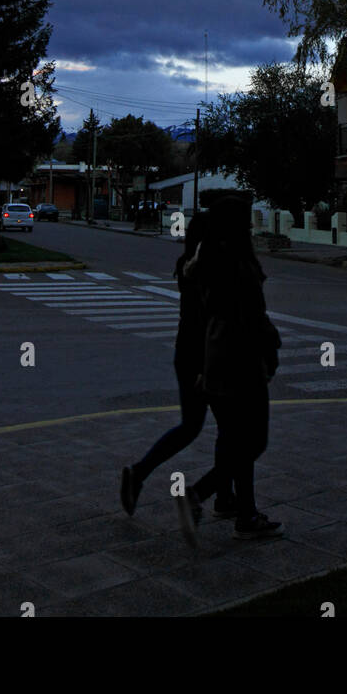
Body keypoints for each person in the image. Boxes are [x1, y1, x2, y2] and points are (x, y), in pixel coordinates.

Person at [121, 211, 235, 543]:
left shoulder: (188, 263)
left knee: (194, 427)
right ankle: (211, 496)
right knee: (231, 432)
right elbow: (206, 321)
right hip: (202, 359)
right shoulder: (205, 268)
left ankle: (141, 474)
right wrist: (206, 368)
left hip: (186, 355)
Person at [186, 193, 283, 539]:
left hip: (214, 355)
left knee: (230, 435)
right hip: (241, 360)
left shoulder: (207, 258)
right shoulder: (240, 264)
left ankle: (238, 508)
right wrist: (271, 346)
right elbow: (254, 318)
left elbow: (199, 316)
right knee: (253, 441)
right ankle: (199, 493)